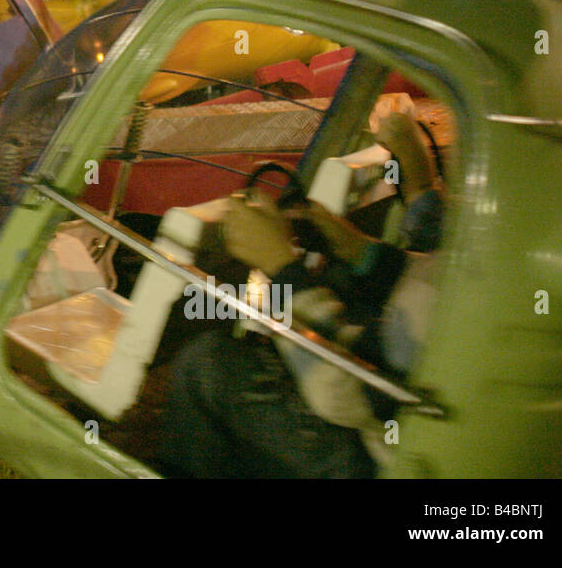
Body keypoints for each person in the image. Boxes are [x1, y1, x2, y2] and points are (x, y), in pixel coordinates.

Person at [155, 111, 445, 478]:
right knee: (333, 285)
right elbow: (436, 269)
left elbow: (345, 395)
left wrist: (283, 270)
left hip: (388, 457)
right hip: (396, 410)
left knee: (205, 367)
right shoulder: (497, 269)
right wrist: (359, 249)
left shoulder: (463, 314)